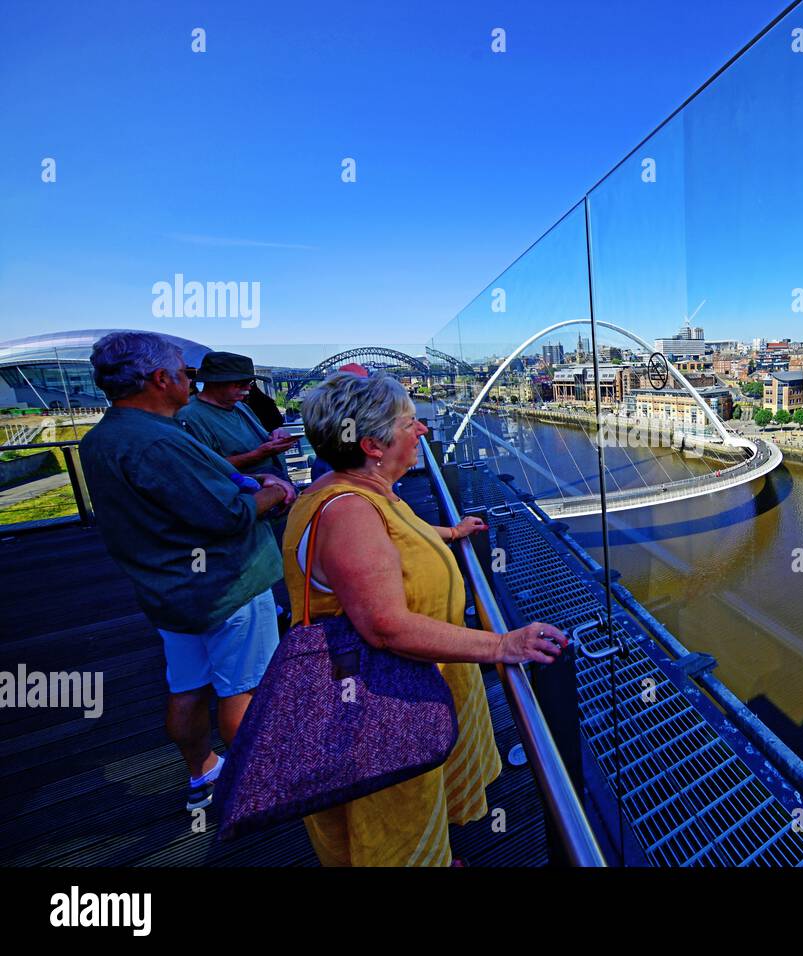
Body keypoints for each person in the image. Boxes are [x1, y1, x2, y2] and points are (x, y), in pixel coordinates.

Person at [286, 371, 567, 866]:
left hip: (409, 691)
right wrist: (501, 647)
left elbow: (396, 538)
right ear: (373, 443)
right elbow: (385, 626)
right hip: (381, 711)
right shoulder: (348, 513)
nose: (422, 431)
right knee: (396, 827)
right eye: (410, 423)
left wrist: (452, 532)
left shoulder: (357, 490)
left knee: (422, 815)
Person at [80, 332, 297, 812]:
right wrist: (276, 492)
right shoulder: (158, 442)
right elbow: (227, 515)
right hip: (226, 588)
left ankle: (203, 772)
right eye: (184, 373)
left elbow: (187, 497)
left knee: (187, 686)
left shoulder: (104, 437)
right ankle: (257, 783)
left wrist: (245, 479)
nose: (188, 381)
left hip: (169, 591)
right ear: (160, 379)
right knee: (247, 688)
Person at [177, 351, 297, 485]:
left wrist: (275, 434)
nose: (248, 388)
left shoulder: (240, 406)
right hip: (248, 497)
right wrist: (258, 454)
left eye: (250, 382)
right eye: (240, 383)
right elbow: (204, 469)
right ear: (214, 382)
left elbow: (255, 439)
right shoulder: (189, 417)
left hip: (275, 488)